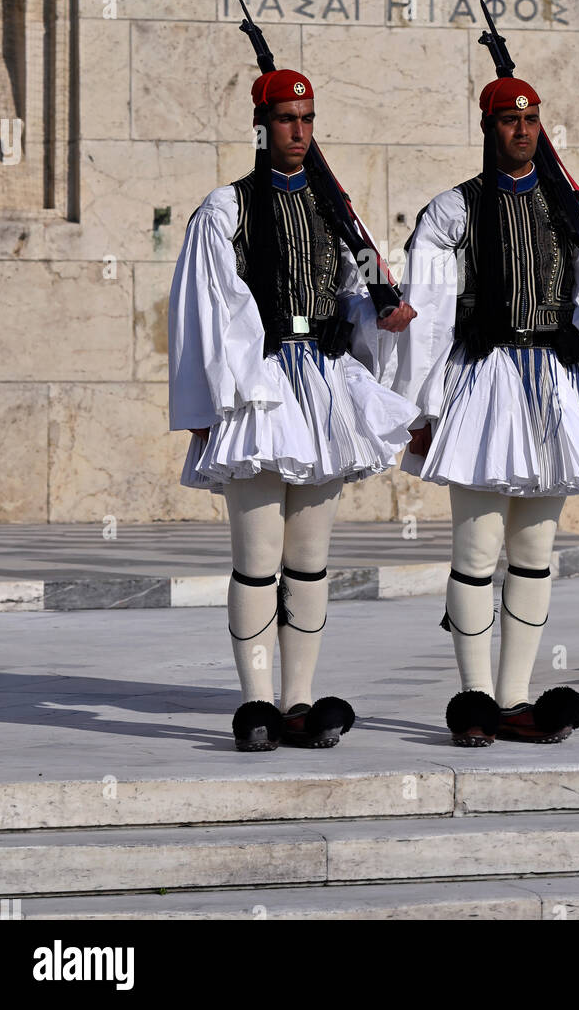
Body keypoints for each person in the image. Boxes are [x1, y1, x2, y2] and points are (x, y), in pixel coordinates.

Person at [392, 74, 579, 746]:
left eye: (532, 120)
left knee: (535, 551)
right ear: (487, 128)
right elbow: (429, 314)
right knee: (477, 547)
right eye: (510, 121)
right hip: (485, 382)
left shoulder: (573, 209)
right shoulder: (454, 211)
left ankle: (514, 699)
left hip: (552, 382)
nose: (522, 130)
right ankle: (474, 698)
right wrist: (422, 406)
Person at [168, 65, 417, 752]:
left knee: (309, 559)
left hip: (322, 388)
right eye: (286, 120)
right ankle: (255, 705)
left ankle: (299, 699)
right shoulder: (227, 208)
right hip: (260, 390)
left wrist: (384, 311)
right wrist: (204, 402)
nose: (299, 132)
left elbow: (360, 283)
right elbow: (201, 310)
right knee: (257, 557)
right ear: (261, 125)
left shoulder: (333, 208)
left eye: (308, 121)